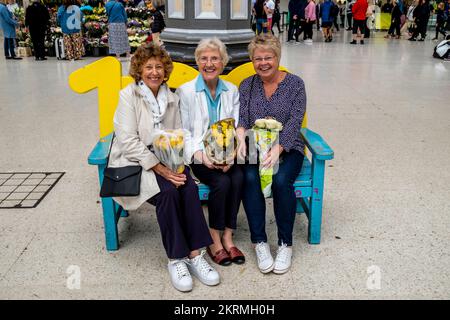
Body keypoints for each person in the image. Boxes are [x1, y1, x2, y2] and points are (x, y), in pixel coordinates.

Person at [110, 43, 220, 292]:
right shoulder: (129, 95)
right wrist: (159, 168)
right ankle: (176, 258)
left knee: (188, 186)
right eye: (148, 67)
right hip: (137, 161)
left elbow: (178, 133)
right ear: (139, 70)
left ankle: (195, 255)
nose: (154, 72)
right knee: (168, 192)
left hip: (167, 156)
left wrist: (177, 164)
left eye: (159, 66)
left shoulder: (171, 97)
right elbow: (128, 141)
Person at [237, 35, 306, 275]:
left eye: (268, 57)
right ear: (252, 60)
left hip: (288, 146)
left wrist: (279, 149)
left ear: (277, 57)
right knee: (249, 178)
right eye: (258, 58)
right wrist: (240, 137)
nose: (263, 62)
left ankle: (285, 243)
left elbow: (296, 120)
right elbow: (243, 120)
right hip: (255, 146)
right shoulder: (247, 85)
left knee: (280, 180)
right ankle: (260, 242)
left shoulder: (296, 84)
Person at [177, 38, 245, 267]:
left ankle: (228, 235)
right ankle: (214, 238)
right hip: (199, 155)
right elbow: (184, 132)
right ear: (197, 62)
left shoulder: (231, 91)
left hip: (228, 153)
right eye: (204, 58)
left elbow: (236, 128)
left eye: (214, 58)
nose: (209, 63)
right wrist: (202, 156)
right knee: (221, 183)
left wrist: (231, 156)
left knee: (237, 177)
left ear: (223, 62)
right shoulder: (186, 92)